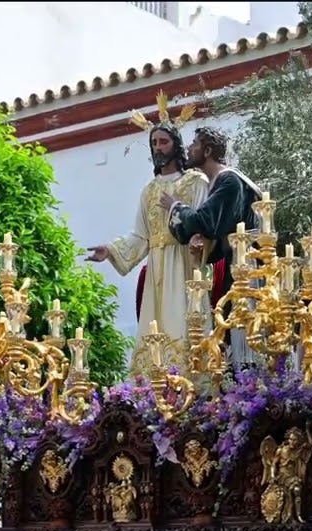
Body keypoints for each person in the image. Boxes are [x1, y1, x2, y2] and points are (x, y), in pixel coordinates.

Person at [86, 94, 209, 352]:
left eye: (163, 142)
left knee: (184, 327)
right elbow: (141, 236)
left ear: (176, 146)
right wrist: (111, 250)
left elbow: (203, 224)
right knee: (155, 333)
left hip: (185, 263)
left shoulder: (195, 182)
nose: (157, 147)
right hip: (156, 268)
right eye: (154, 142)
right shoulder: (149, 190)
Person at [162, 126, 263, 310]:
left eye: (194, 144)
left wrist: (175, 206)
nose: (189, 149)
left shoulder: (229, 181)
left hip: (249, 267)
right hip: (234, 266)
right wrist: (194, 235)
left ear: (207, 151)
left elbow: (205, 222)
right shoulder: (216, 184)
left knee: (248, 326)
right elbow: (202, 229)